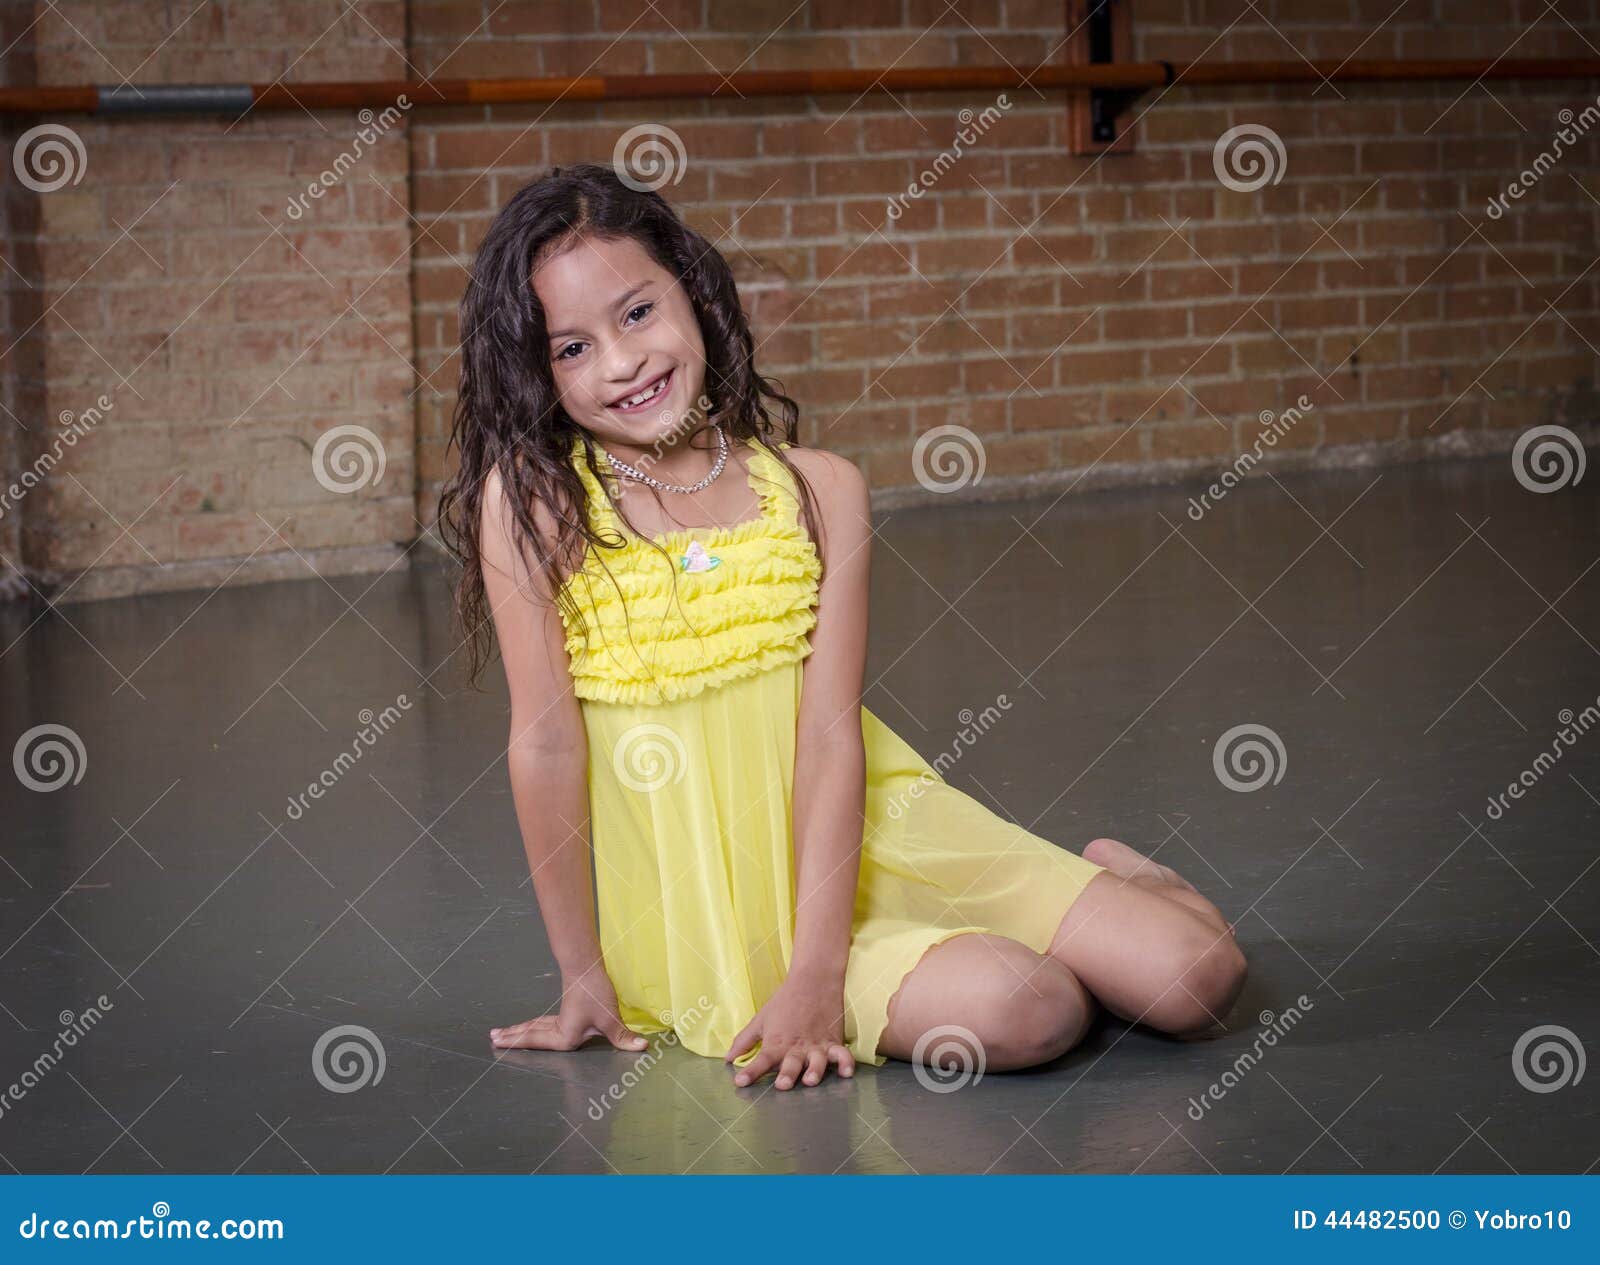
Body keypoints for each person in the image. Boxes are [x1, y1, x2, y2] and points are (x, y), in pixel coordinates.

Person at [435, 162, 1246, 1093]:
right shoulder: (537, 507)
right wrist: (583, 973)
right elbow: (544, 747)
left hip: (868, 839)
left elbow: (828, 739)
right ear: (536, 371)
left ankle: (1133, 882)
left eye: (635, 314)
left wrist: (820, 978)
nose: (620, 363)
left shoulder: (820, 489)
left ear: (692, 294)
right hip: (706, 907)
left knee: (1200, 980)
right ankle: (1035, 938)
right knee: (1036, 1010)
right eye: (569, 349)